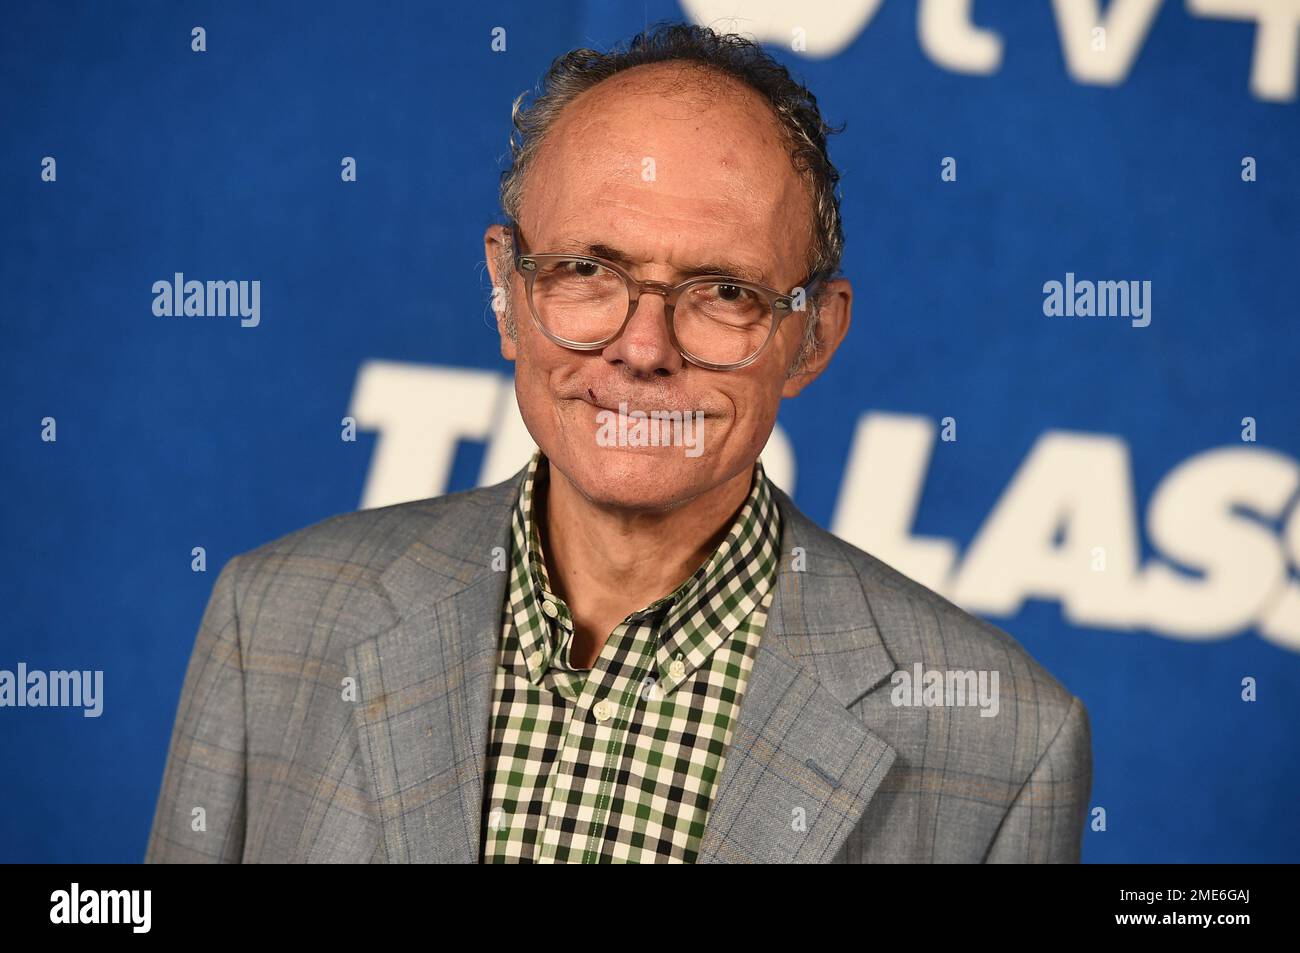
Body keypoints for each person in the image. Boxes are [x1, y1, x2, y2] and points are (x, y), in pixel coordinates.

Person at [146, 22, 1091, 864]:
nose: (643, 349)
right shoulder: (267, 623)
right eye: (587, 270)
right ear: (508, 289)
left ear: (813, 335)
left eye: (724, 291)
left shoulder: (1005, 744)